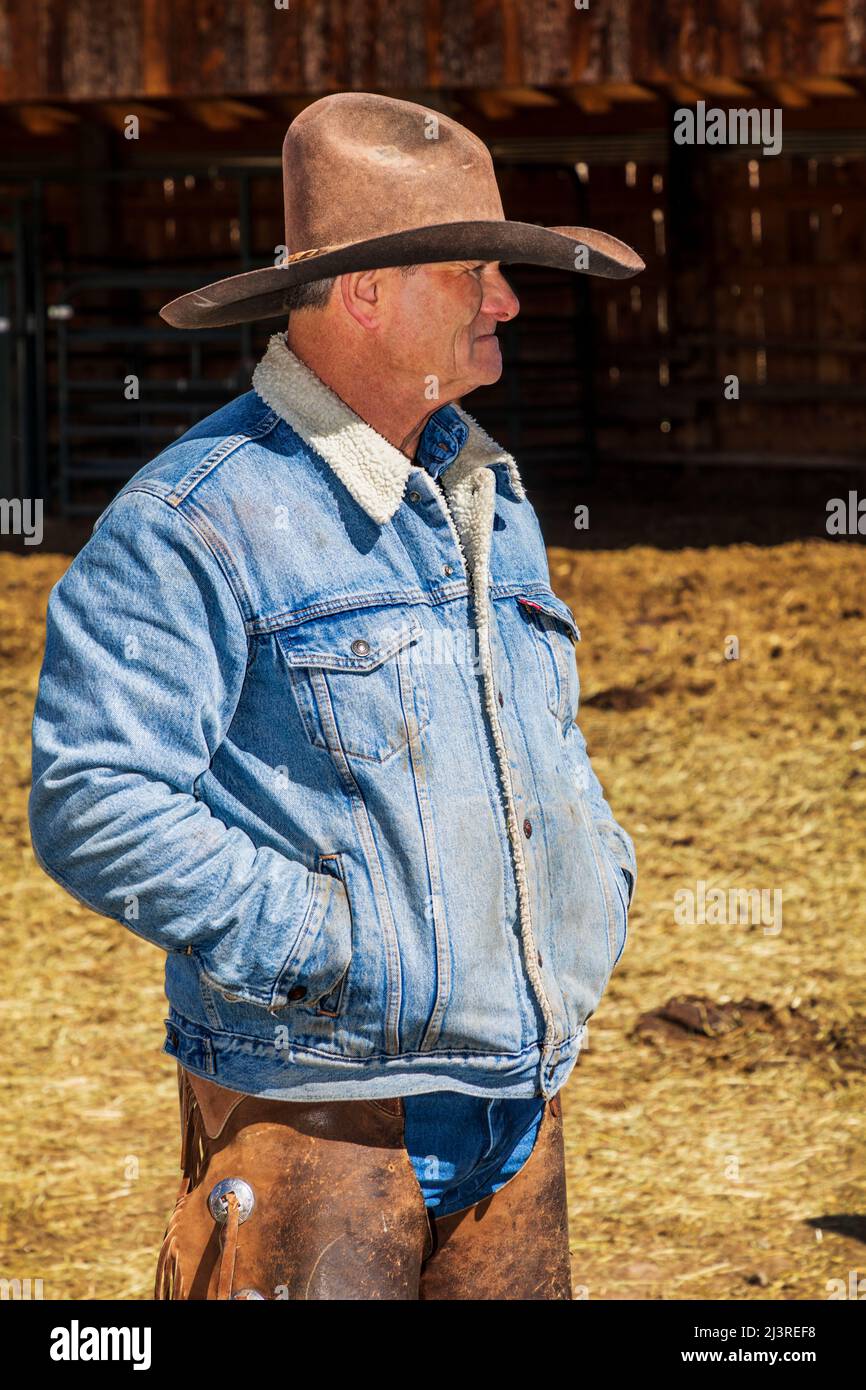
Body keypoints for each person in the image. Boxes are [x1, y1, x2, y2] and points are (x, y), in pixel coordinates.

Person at [29, 91, 641, 1300]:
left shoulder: (486, 490)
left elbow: (541, 738)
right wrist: (334, 947)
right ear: (364, 292)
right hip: (316, 1110)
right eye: (474, 272)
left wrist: (591, 888)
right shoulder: (193, 520)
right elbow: (95, 798)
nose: (506, 302)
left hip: (515, 1094)